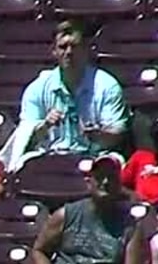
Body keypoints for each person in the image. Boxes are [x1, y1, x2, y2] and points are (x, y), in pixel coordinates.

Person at [32, 153, 146, 264]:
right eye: (100, 177)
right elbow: (40, 250)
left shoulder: (130, 225)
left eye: (111, 177)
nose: (105, 182)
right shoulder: (65, 215)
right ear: (88, 182)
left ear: (119, 185)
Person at [14, 20, 128, 160]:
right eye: (63, 47)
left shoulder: (107, 86)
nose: (69, 52)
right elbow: (25, 140)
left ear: (86, 50)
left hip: (94, 157)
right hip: (49, 157)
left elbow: (118, 136)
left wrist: (98, 135)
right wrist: (45, 126)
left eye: (75, 46)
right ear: (54, 51)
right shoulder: (36, 88)